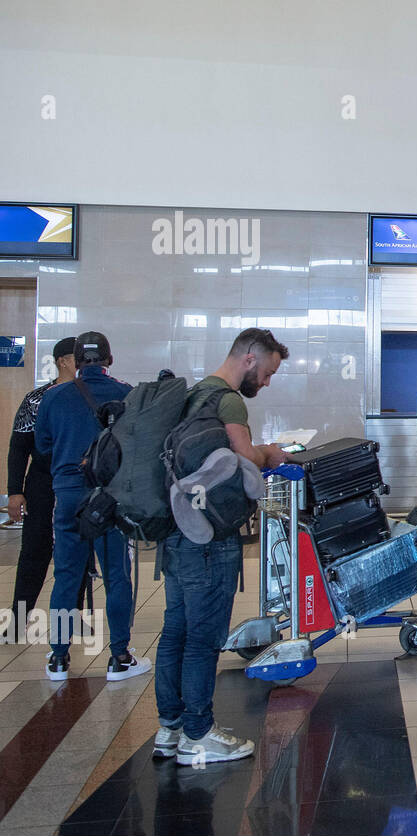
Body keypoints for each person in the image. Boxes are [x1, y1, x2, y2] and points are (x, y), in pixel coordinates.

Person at [155, 328, 291, 766]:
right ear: (249, 358)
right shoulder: (226, 400)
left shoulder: (192, 395)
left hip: (177, 532)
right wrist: (270, 453)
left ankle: (170, 728)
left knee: (175, 630)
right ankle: (199, 733)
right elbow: (243, 456)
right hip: (209, 539)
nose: (266, 383)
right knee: (203, 638)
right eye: (267, 373)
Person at [34, 332, 141, 682]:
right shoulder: (126, 394)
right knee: (115, 575)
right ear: (109, 359)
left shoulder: (53, 398)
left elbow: (43, 445)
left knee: (66, 575)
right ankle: (119, 657)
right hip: (107, 498)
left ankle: (58, 659)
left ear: (75, 361)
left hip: (66, 496)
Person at [6, 337, 94, 635]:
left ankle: (72, 617)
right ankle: (19, 617)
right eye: (76, 358)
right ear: (62, 362)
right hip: (43, 483)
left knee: (78, 550)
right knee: (34, 550)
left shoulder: (88, 397)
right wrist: (15, 491)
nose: (82, 364)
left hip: (78, 483)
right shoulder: (37, 399)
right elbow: (19, 448)